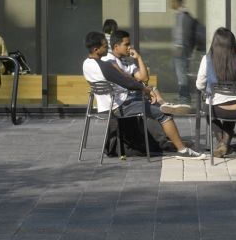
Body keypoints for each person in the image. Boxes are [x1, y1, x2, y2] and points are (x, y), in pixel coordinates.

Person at [81, 30, 200, 159]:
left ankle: (167, 135)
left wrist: (144, 88)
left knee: (155, 102)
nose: (107, 48)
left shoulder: (87, 64)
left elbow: (130, 81)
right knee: (163, 113)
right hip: (120, 106)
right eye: (105, 46)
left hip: (111, 104)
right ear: (96, 49)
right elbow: (127, 83)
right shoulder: (104, 66)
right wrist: (145, 90)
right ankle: (182, 150)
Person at [195, 26, 236, 158]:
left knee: (207, 110)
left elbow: (199, 85)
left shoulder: (207, 59)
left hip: (217, 109)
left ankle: (222, 143)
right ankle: (224, 144)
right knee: (232, 109)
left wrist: (207, 89)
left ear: (215, 43)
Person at [169, 0, 200, 101]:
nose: (171, 3)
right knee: (180, 71)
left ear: (177, 1)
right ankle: (183, 94)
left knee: (181, 73)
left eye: (172, 1)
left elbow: (183, 33)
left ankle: (184, 96)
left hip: (181, 48)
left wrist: (179, 47)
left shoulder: (183, 15)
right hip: (181, 47)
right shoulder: (180, 15)